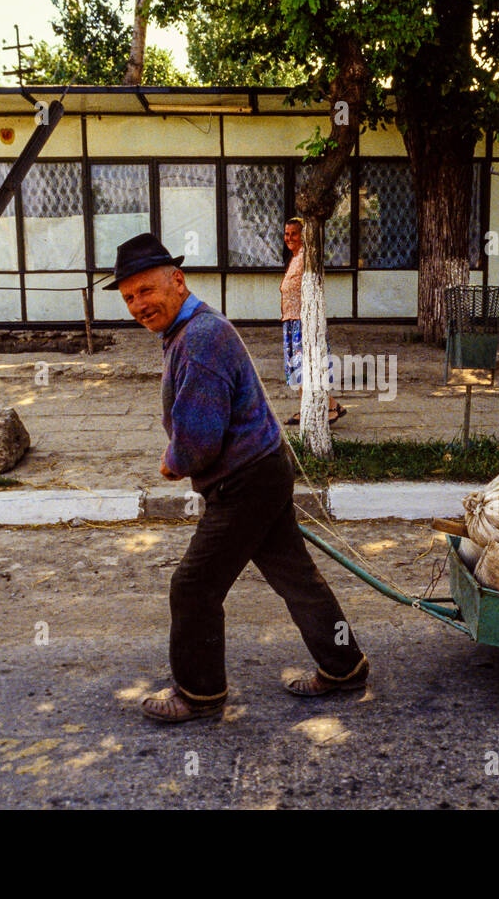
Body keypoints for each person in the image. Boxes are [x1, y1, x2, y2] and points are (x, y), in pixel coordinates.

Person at [104, 232, 369, 723]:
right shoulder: (189, 330)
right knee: (296, 578)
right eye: (129, 298)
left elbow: (200, 439)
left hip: (245, 481)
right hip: (262, 470)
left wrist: (173, 461)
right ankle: (345, 665)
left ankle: (199, 695)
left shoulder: (200, 337)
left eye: (145, 291)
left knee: (193, 587)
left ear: (177, 281)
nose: (138, 305)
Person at [280, 218, 345, 425]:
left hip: (303, 321)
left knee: (306, 368)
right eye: (287, 234)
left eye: (294, 234)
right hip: (291, 320)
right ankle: (313, 407)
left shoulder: (307, 257)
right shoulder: (295, 257)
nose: (289, 238)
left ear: (302, 236)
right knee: (298, 370)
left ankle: (330, 407)